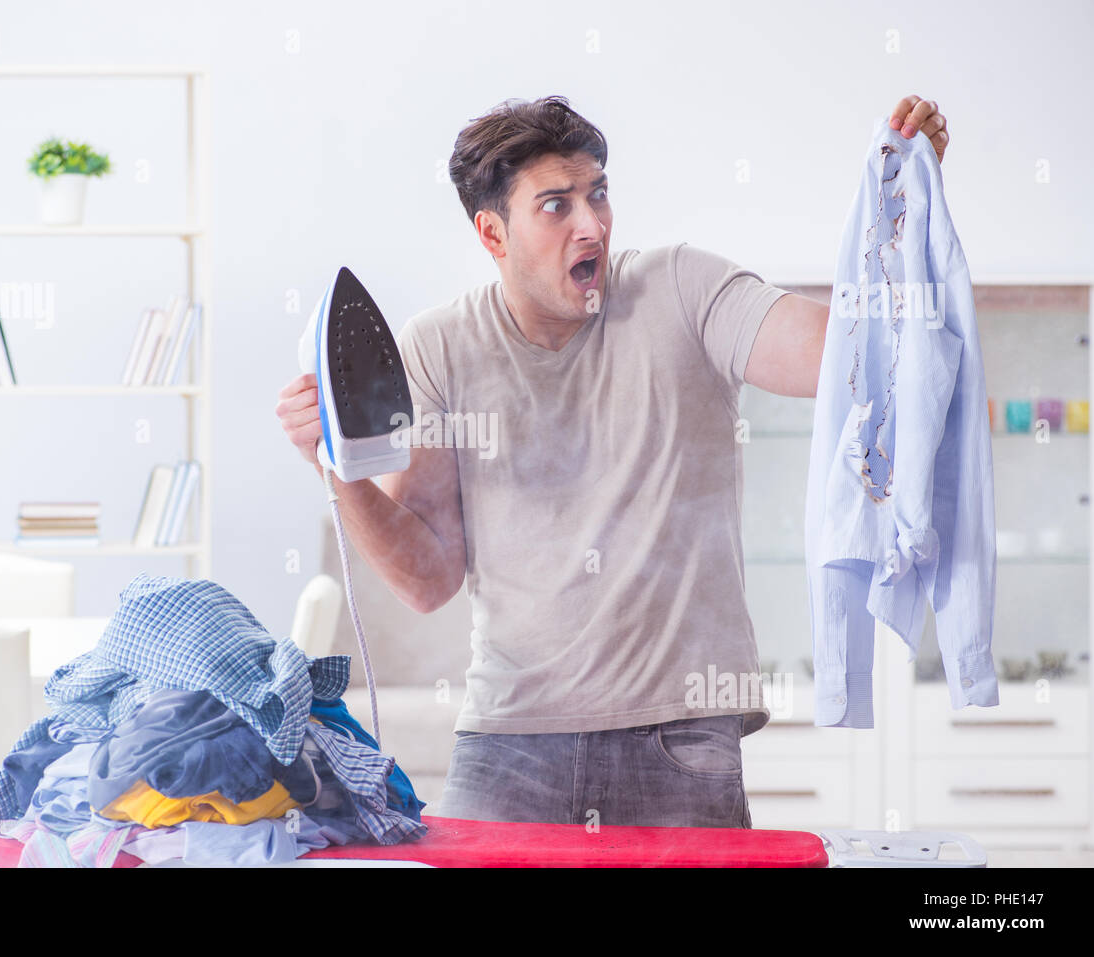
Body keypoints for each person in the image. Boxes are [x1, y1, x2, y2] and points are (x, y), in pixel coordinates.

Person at [275, 94, 949, 830]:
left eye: (597, 193)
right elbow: (429, 578)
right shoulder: (440, 347)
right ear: (492, 233)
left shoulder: (684, 290)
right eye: (556, 205)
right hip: (509, 740)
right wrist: (334, 468)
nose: (590, 223)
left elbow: (849, 355)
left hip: (681, 737)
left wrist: (900, 216)